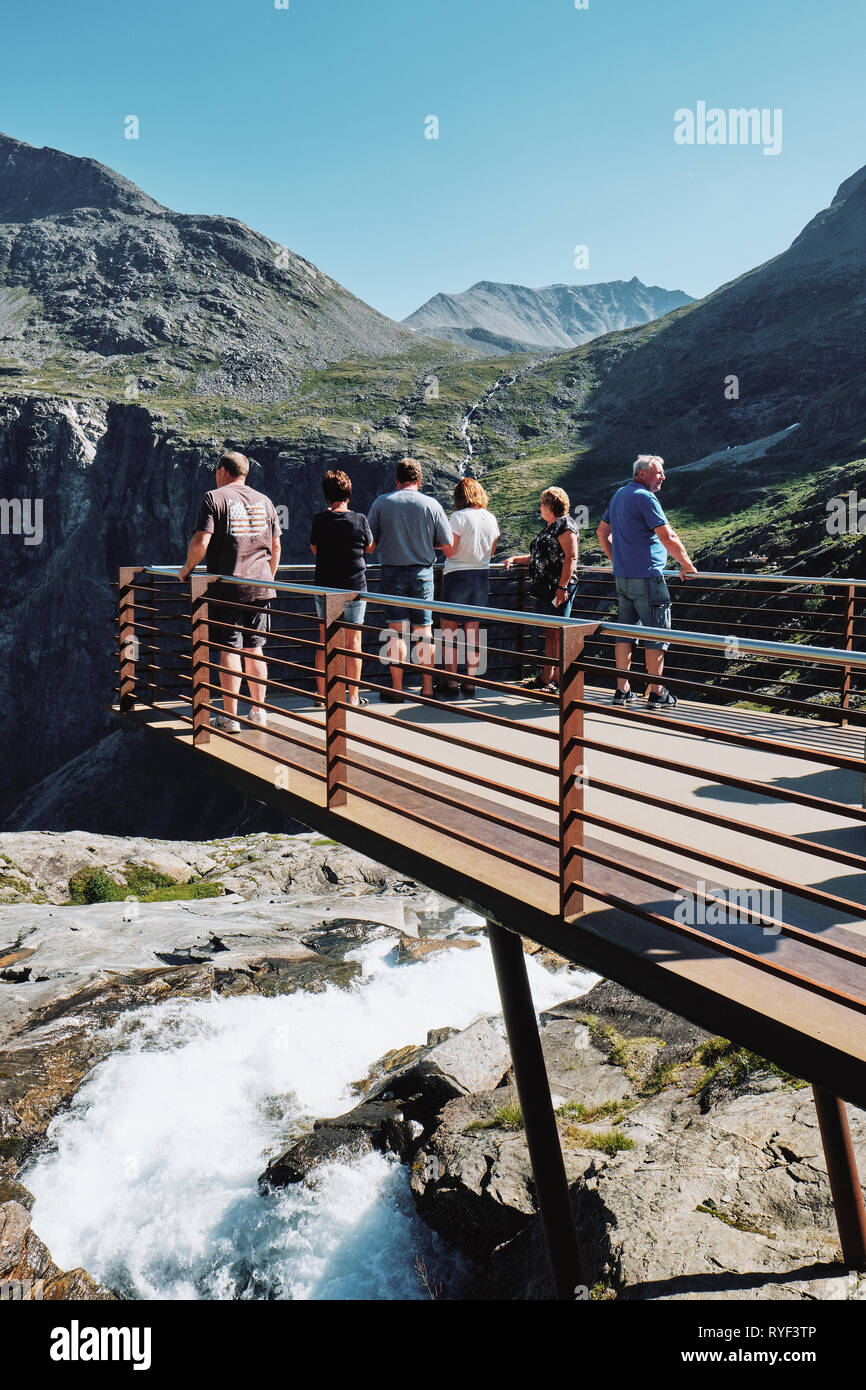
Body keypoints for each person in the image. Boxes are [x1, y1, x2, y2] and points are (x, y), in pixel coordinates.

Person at [179, 450, 281, 733]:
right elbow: (276, 546)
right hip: (261, 587)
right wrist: (268, 579)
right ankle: (259, 712)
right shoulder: (265, 500)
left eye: (216, 470)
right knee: (255, 649)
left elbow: (202, 540)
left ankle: (230, 717)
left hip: (228, 588)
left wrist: (187, 568)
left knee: (230, 649)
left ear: (223, 471)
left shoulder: (214, 498)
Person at [596, 454, 697, 708]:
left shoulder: (619, 494)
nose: (663, 476)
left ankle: (622, 690)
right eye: (659, 472)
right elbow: (667, 536)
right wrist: (687, 565)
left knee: (624, 633)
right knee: (656, 634)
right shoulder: (645, 497)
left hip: (623, 578)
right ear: (642, 474)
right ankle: (657, 693)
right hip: (648, 578)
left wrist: (617, 560)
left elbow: (601, 532)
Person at [367, 458, 452, 702]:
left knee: (396, 632)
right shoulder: (431, 504)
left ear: (397, 479)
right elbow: (448, 545)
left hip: (391, 573)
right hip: (422, 574)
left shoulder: (381, 503)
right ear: (419, 481)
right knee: (424, 631)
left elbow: (370, 544)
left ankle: (397, 689)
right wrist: (427, 543)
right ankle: (427, 688)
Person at [503, 487, 579, 693]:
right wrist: (514, 559)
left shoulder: (565, 525)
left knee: (558, 632)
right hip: (546, 588)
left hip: (558, 587)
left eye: (542, 504)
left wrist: (562, 586)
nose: (540, 508)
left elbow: (571, 557)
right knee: (550, 632)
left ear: (550, 506)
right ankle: (547, 676)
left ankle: (558, 680)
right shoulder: (551, 527)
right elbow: (538, 557)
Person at [309, 469, 374, 707]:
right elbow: (370, 547)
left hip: (325, 587)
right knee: (353, 642)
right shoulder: (360, 520)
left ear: (327, 495)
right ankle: (353, 696)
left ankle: (322, 695)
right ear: (348, 493)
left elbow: (314, 549)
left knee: (325, 640)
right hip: (354, 587)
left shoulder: (320, 520)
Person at [438, 477, 499, 697]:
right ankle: (470, 682)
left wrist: (438, 543)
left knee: (450, 631)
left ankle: (452, 682)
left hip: (457, 575)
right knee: (473, 631)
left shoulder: (458, 517)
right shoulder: (490, 518)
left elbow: (450, 550)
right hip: (481, 575)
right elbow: (491, 552)